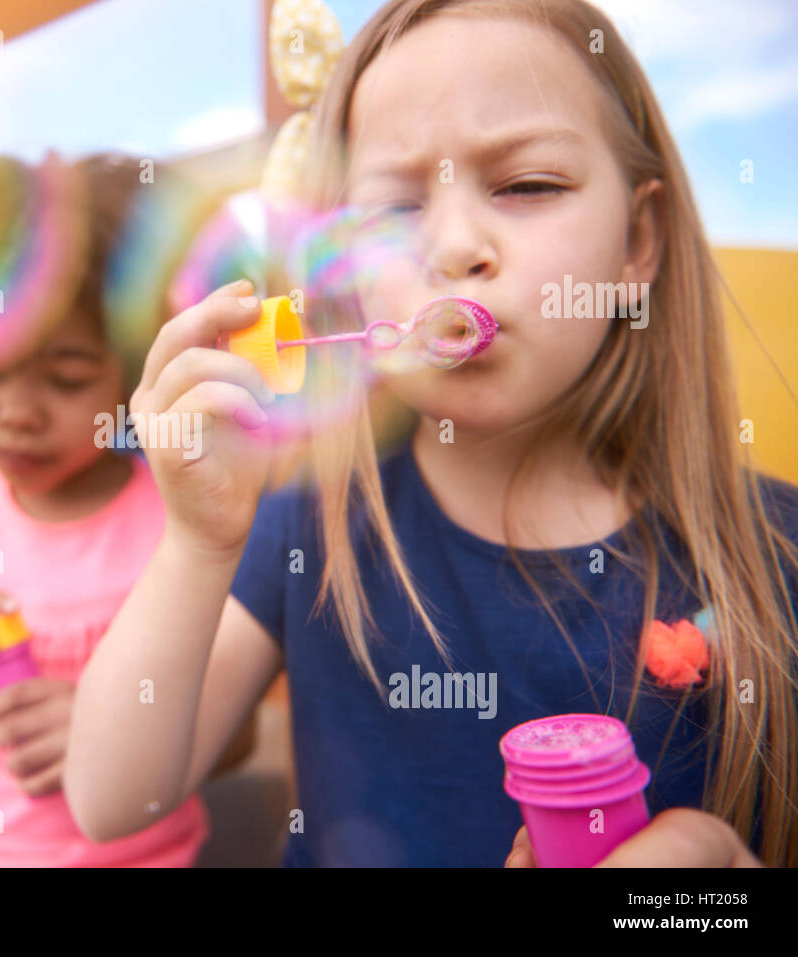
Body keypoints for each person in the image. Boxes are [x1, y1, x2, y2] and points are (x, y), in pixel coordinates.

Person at [64, 0, 798, 867]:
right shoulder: (308, 530)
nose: (452, 246)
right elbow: (114, 798)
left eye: (527, 185)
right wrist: (195, 542)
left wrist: (716, 883)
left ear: (637, 241)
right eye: (393, 211)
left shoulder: (775, 550)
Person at [0, 153, 214, 866]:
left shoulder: (175, 521)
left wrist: (111, 725)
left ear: (132, 364)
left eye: (67, 377)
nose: (19, 412)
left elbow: (226, 733)